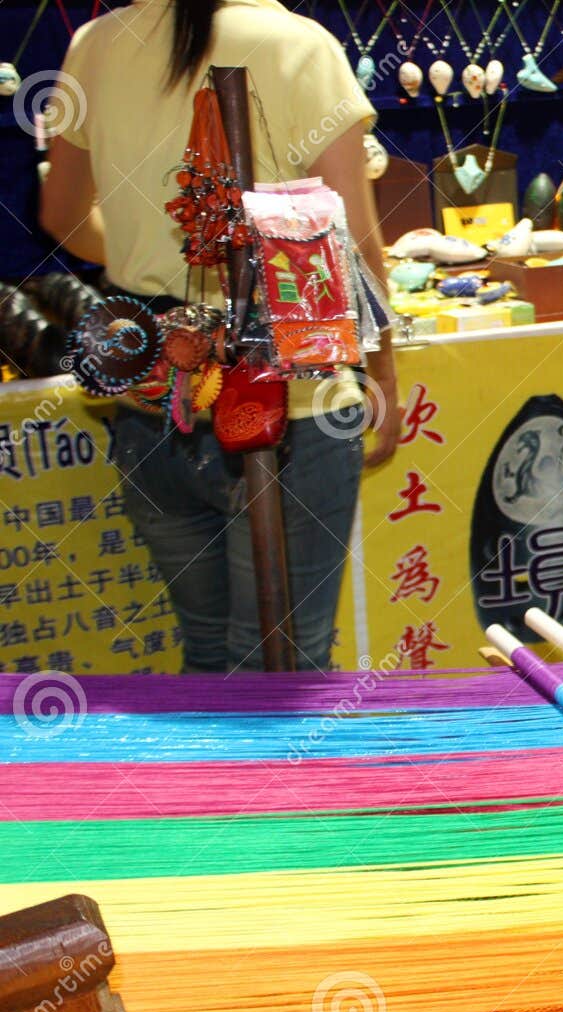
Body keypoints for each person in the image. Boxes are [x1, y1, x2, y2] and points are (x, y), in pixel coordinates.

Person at [39, 0, 401, 672]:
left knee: (208, 655)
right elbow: (352, 246)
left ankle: (216, 780)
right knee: (283, 665)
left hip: (156, 398)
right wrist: (383, 375)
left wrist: (154, 260)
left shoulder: (94, 44)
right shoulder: (300, 46)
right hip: (287, 403)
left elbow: (59, 215)